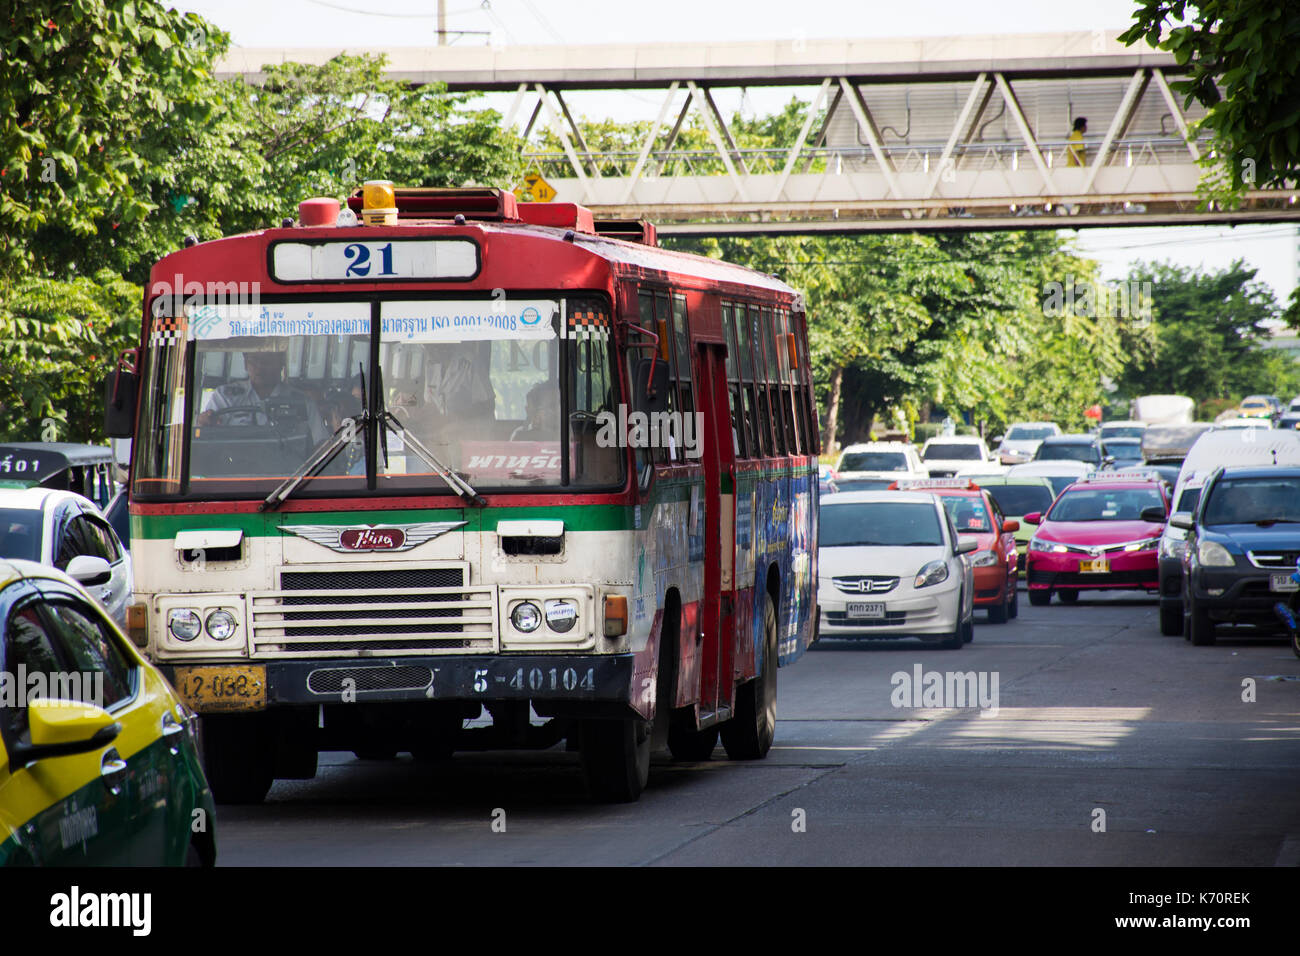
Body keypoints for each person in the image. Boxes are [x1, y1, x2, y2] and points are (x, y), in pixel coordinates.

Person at [198, 350, 328, 444]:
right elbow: (206, 441)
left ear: (281, 362)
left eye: (267, 360)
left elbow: (320, 445)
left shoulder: (302, 402)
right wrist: (204, 424)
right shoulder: (225, 397)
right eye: (254, 360)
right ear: (245, 362)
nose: (260, 367)